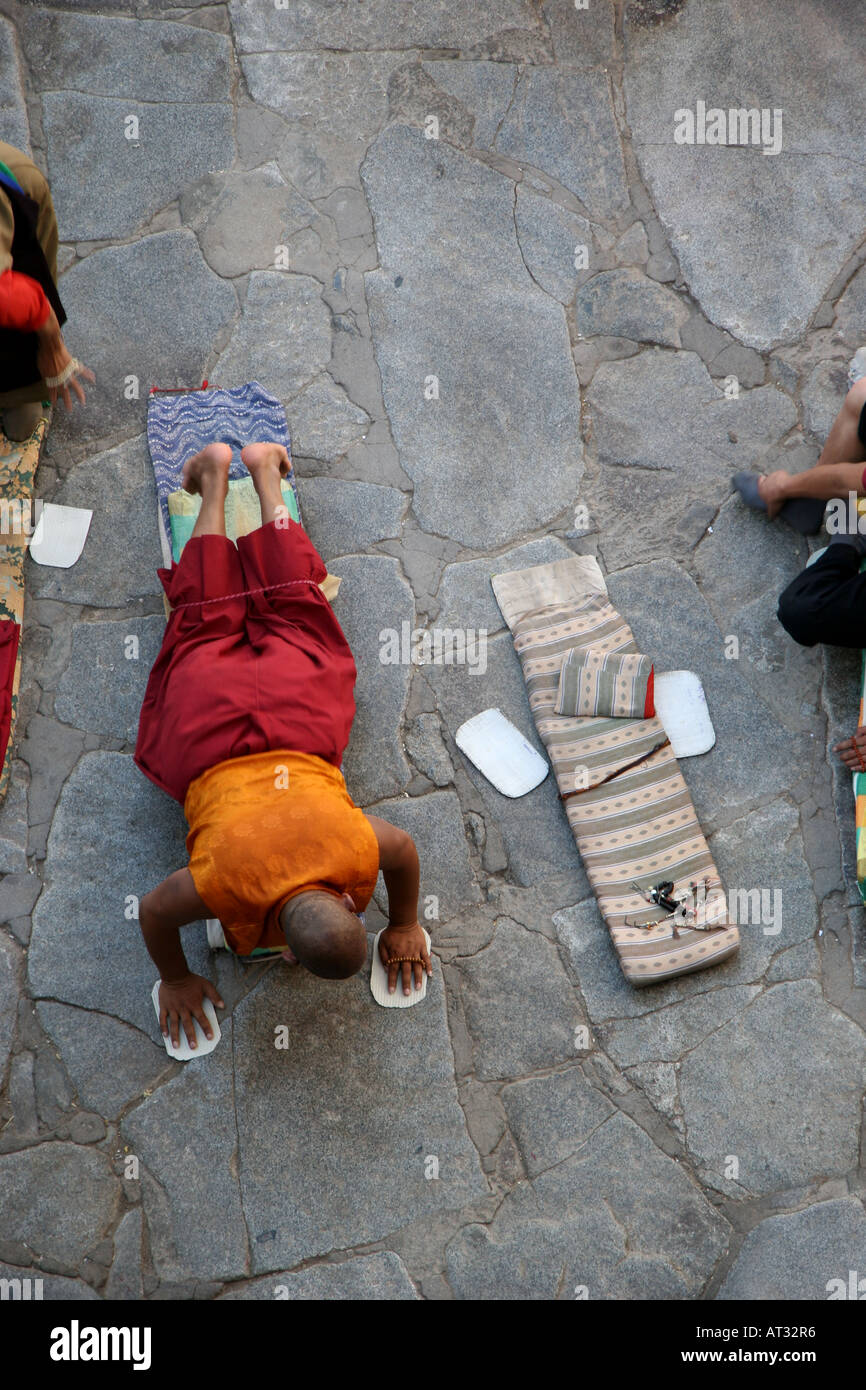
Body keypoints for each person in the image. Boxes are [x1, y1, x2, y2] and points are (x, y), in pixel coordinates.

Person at [135, 442, 432, 1049]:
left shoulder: (355, 852)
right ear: (285, 954)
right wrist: (175, 978)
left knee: (297, 607)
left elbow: (402, 851)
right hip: (208, 734)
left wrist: (405, 921)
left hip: (300, 724)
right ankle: (214, 482)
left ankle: (265, 472)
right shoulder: (223, 884)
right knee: (205, 616)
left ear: (352, 907)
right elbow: (154, 912)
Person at [0, 140, 93, 439]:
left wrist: (53, 348)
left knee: (22, 424)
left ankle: (29, 384)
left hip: (14, 184)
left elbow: (22, 299)